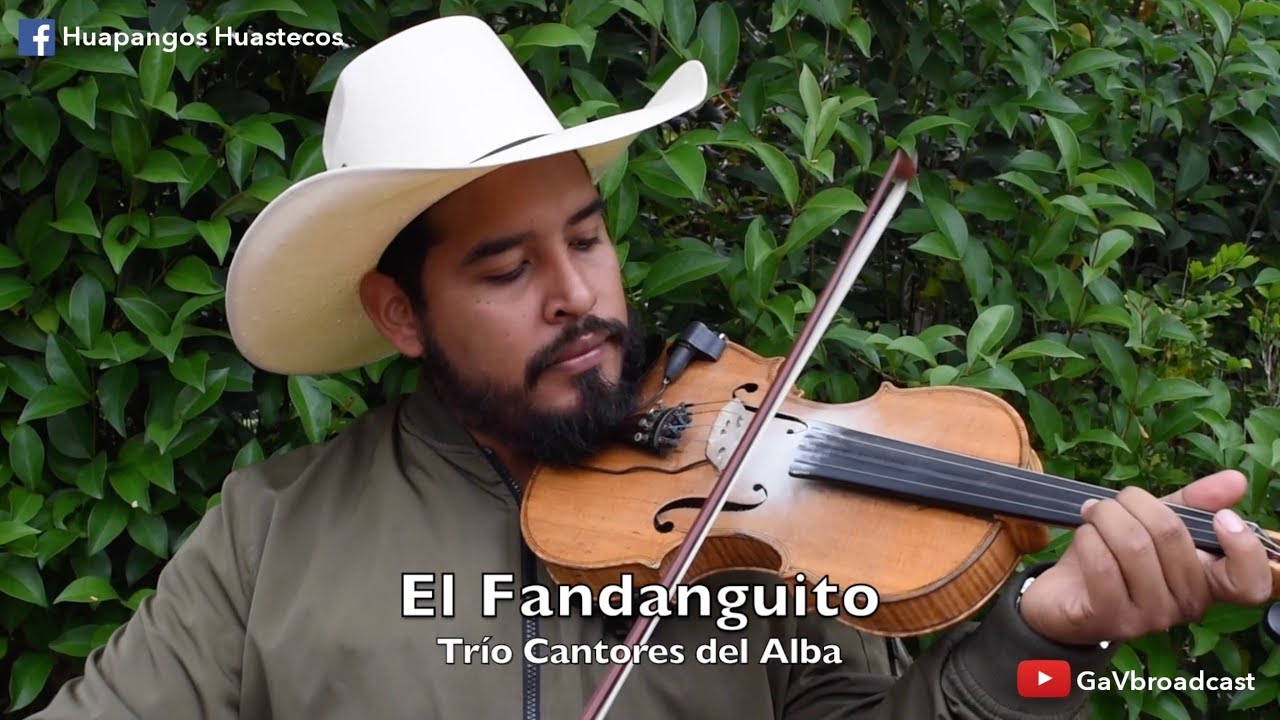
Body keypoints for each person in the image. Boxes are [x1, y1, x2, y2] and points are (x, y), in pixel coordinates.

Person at [31, 15, 1275, 720]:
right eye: (507, 269)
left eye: (585, 237)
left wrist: (1046, 642)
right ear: (399, 313)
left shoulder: (768, 520)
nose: (579, 295)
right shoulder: (267, 539)